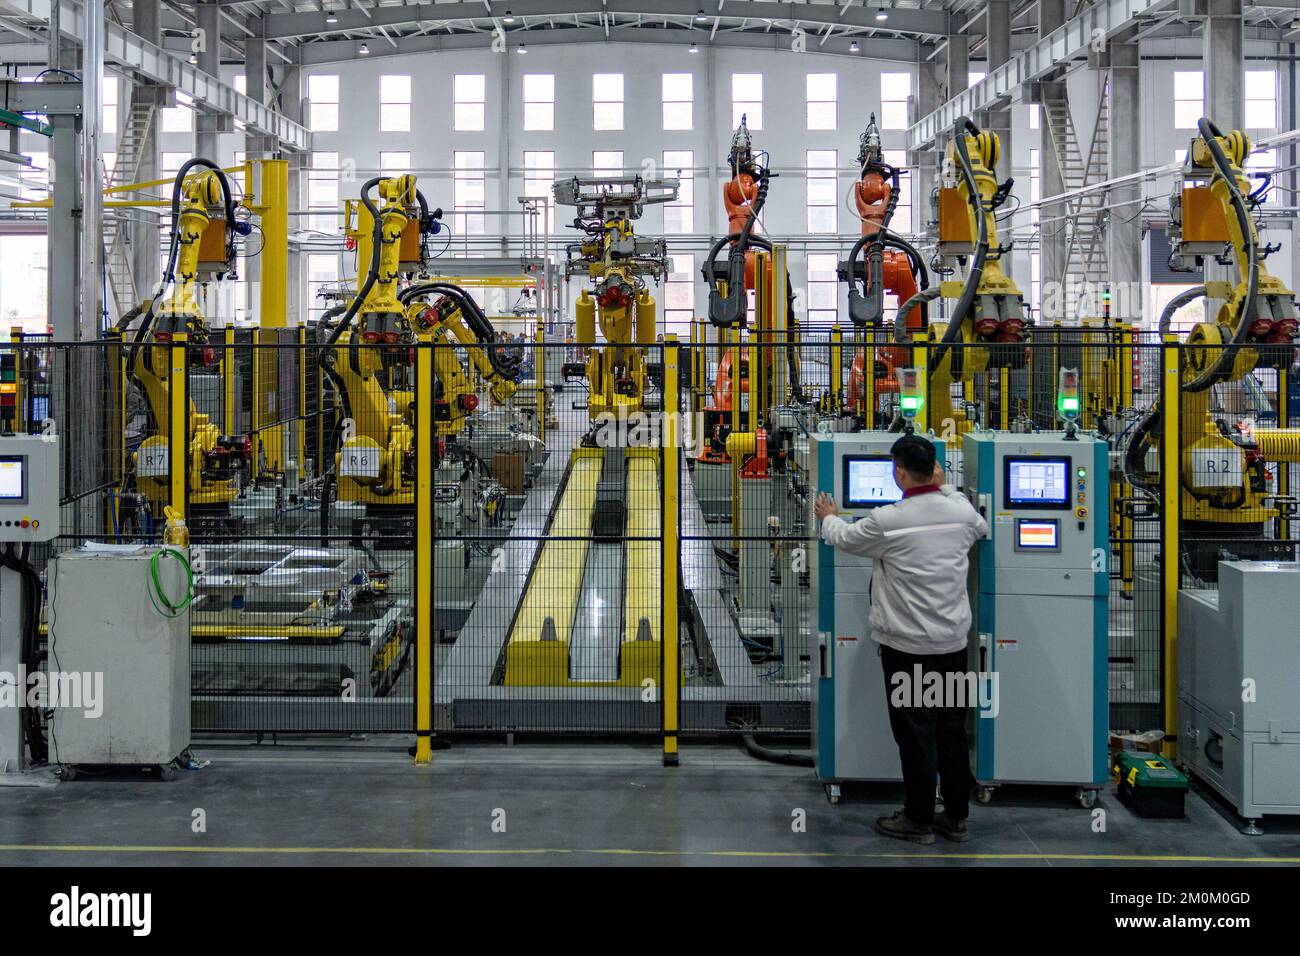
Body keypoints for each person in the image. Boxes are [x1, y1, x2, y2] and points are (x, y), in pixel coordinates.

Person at [814, 433, 988, 845]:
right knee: (950, 732)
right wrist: (945, 488)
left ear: (899, 473)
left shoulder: (890, 520)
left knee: (915, 735)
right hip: (952, 645)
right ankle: (956, 817)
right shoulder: (961, 511)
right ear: (936, 469)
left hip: (908, 650)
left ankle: (917, 818)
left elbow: (844, 538)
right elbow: (981, 527)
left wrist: (828, 516)